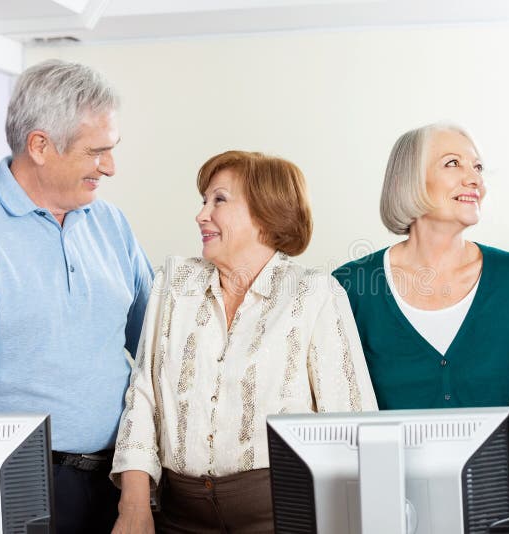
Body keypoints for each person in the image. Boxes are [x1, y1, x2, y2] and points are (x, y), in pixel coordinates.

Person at [0, 59, 153, 533]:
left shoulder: (111, 223)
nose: (110, 167)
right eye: (96, 152)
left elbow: (156, 353)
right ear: (40, 145)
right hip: (25, 480)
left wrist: (137, 487)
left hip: (117, 476)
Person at [110, 150, 377, 533]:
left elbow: (352, 424)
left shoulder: (314, 293)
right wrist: (133, 508)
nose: (202, 214)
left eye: (219, 199)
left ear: (265, 213)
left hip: (282, 518)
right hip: (178, 519)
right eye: (204, 201)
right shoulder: (173, 284)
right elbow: (143, 397)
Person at [332, 123, 509, 532]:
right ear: (409, 180)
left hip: (505, 509)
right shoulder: (351, 286)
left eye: (479, 167)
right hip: (395, 514)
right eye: (453, 163)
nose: (475, 179)